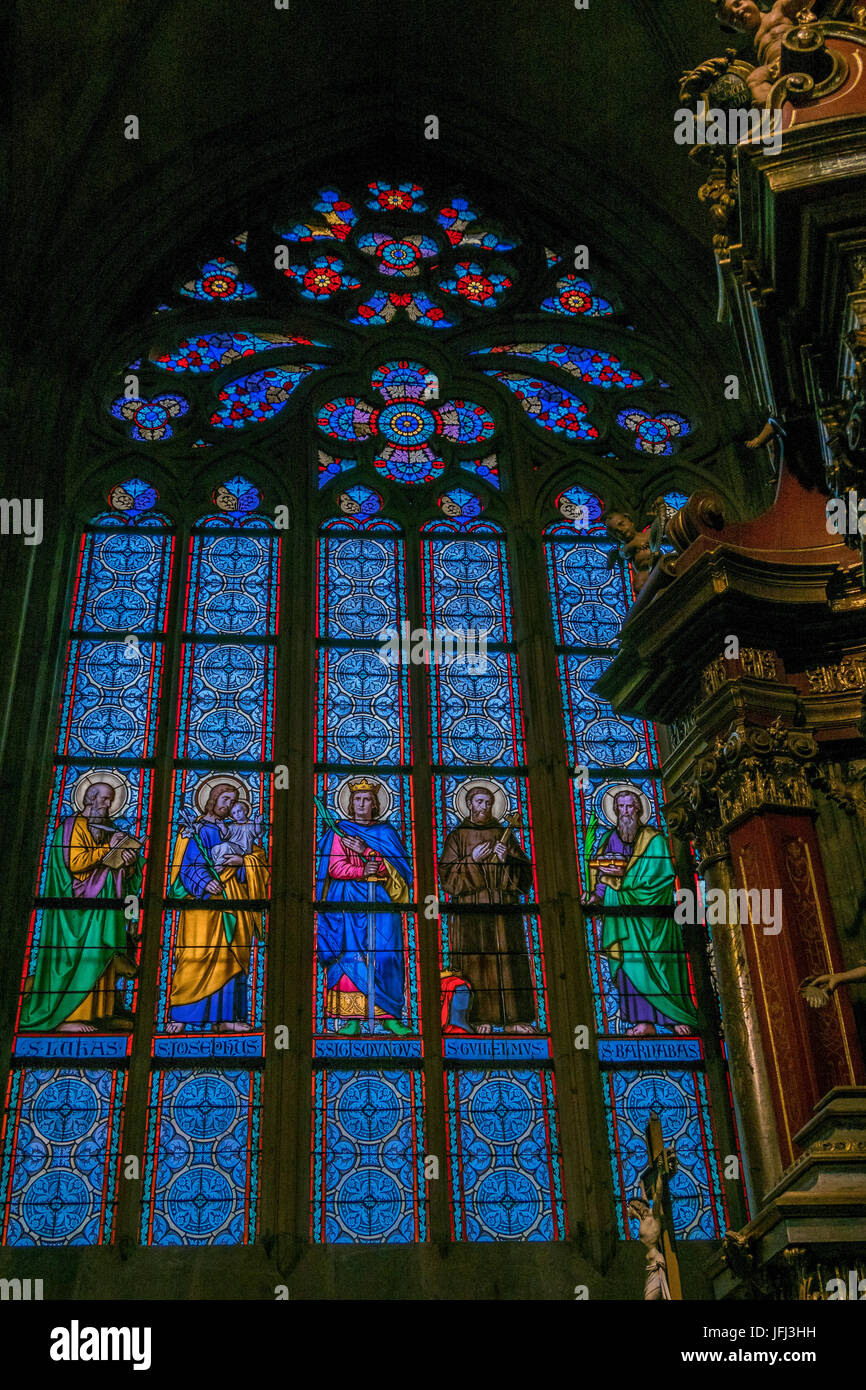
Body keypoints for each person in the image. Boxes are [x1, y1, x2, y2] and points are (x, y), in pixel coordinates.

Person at [21, 781, 141, 1033]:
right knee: (78, 958)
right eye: (104, 799)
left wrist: (129, 863)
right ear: (89, 798)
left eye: (111, 800)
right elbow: (76, 864)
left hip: (103, 909)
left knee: (101, 956)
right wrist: (109, 850)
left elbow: (122, 873)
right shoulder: (70, 827)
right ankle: (67, 1016)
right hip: (75, 910)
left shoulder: (107, 830)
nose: (108, 805)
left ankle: (99, 1013)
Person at [583, 787, 698, 1037]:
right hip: (622, 918)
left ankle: (672, 1015)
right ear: (615, 811)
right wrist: (596, 895)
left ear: (638, 809)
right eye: (620, 807)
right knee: (627, 965)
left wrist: (623, 878)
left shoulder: (654, 839)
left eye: (629, 807)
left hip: (653, 916)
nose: (625, 812)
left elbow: (662, 877)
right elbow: (601, 876)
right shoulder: (608, 840)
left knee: (662, 964)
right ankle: (642, 1021)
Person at [167, 782, 269, 1033]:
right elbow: (185, 864)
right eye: (225, 799)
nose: (229, 805)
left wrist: (243, 862)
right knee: (195, 954)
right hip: (203, 902)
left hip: (234, 898)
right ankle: (182, 1014)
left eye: (234, 801)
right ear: (212, 799)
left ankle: (229, 1017)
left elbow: (258, 858)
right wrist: (205, 881)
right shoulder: (195, 829)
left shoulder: (238, 828)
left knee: (232, 957)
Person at [315, 779, 413, 1036]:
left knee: (386, 955)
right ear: (350, 803)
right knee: (350, 957)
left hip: (380, 903)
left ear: (375, 804)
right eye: (357, 799)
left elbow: (402, 871)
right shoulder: (340, 831)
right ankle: (352, 1019)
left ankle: (390, 1015)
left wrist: (367, 850)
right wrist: (361, 869)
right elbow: (334, 867)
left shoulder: (386, 833)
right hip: (347, 902)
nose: (362, 804)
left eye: (367, 799)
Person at [438, 784, 535, 1032]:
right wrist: (473, 860)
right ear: (469, 804)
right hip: (470, 913)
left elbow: (525, 878)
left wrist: (507, 861)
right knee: (476, 962)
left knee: (509, 962)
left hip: (504, 911)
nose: (484, 807)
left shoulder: (503, 833)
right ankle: (479, 1018)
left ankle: (514, 1020)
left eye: (488, 803)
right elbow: (447, 879)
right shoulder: (458, 836)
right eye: (479, 802)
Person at [715, 0, 809, 104]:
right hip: (777, 69)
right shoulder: (755, 46)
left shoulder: (778, 10)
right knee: (754, 80)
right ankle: (777, 114)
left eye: (738, 4)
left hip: (801, 51)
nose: (737, 12)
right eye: (732, 19)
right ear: (736, 30)